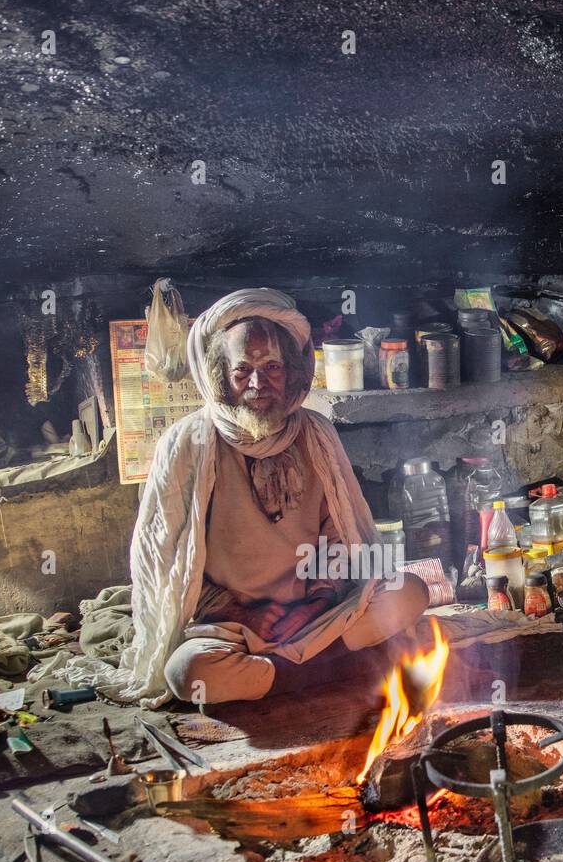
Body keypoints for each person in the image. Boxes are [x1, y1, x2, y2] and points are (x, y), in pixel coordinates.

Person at [64, 288, 428, 708]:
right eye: (243, 370)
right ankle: (334, 668)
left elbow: (339, 535)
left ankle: (285, 675)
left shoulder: (315, 433)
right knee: (187, 673)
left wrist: (317, 600)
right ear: (220, 374)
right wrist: (245, 614)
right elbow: (172, 566)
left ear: (291, 370)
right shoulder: (188, 443)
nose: (259, 384)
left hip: (317, 614)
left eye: (272, 367)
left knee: (411, 590)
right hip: (234, 626)